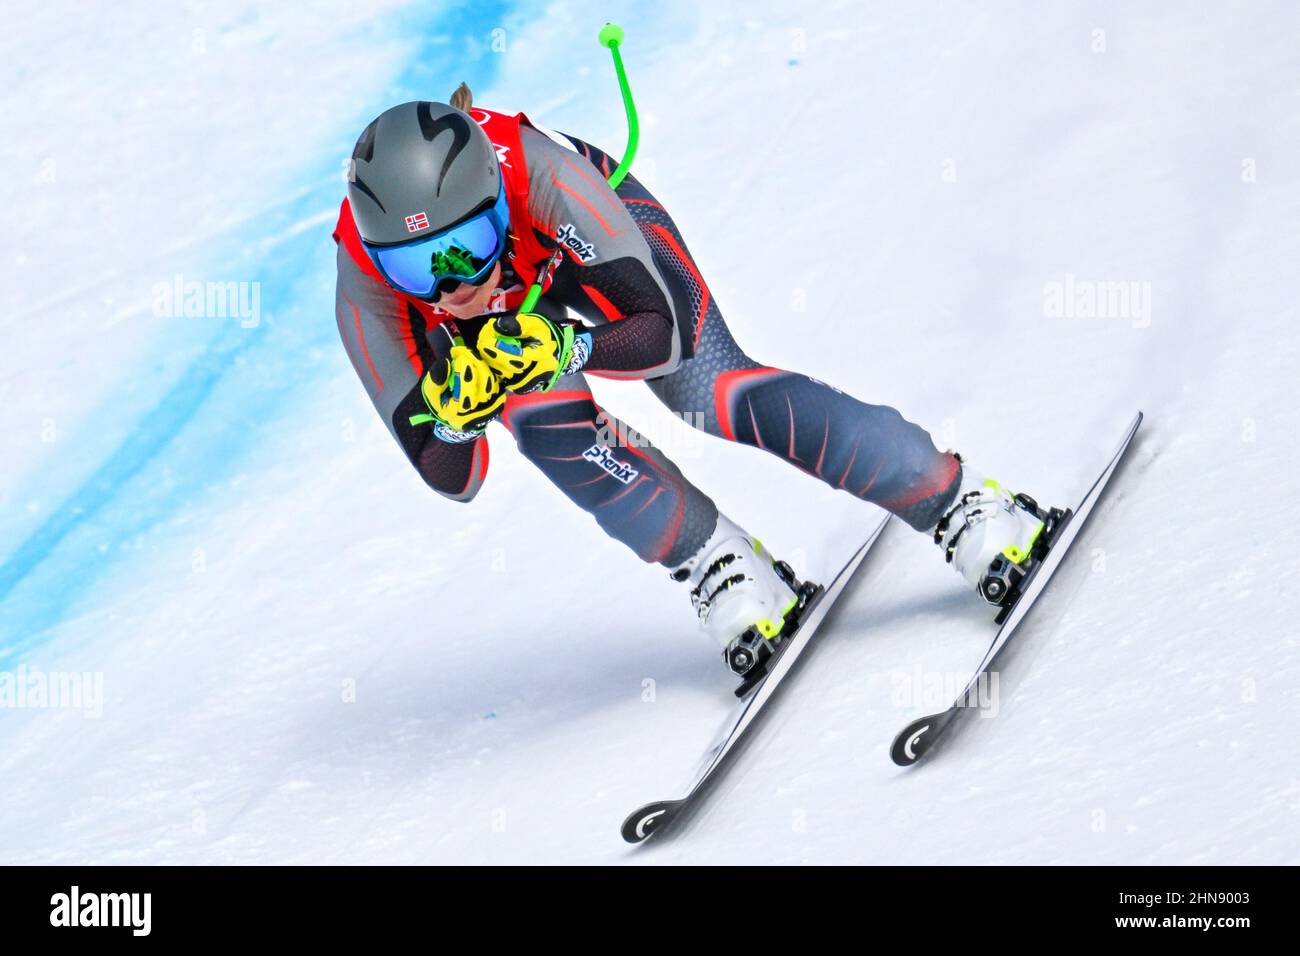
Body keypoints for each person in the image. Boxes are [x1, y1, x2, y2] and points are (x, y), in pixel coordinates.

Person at [332, 89, 1049, 683]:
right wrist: (457, 419)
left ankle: (958, 499)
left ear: (495, 203)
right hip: (522, 305)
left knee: (709, 390)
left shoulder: (544, 178)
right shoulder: (362, 285)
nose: (454, 285)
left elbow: (660, 334)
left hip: (578, 251)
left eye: (469, 248)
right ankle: (719, 561)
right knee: (544, 425)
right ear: (377, 259)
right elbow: (452, 478)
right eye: (419, 270)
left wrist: (571, 345)